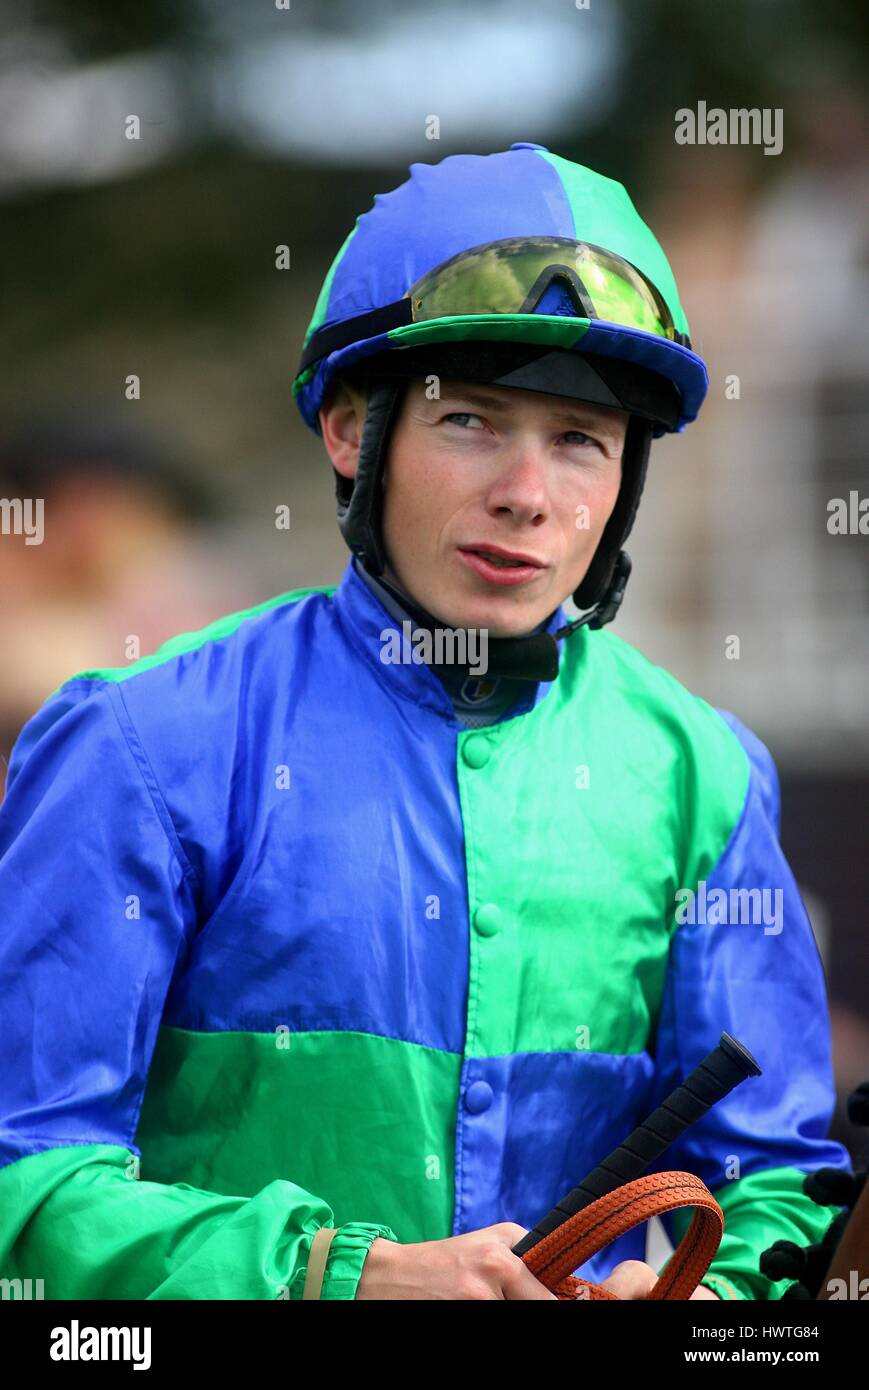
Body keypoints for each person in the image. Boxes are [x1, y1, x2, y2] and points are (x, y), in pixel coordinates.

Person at [0, 144, 850, 1301]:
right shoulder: (141, 742)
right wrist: (340, 1277)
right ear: (353, 433)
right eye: (470, 423)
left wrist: (702, 1304)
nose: (526, 492)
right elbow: (25, 1185)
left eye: (578, 442)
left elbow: (778, 1180)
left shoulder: (700, 773)